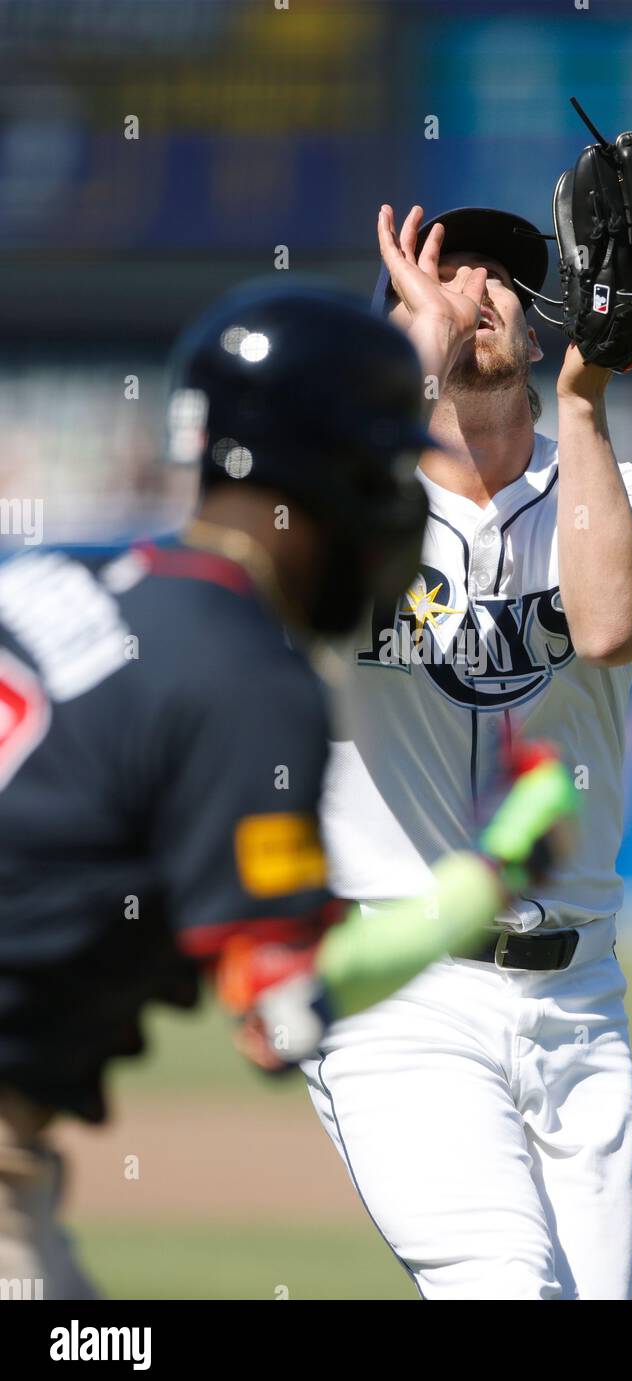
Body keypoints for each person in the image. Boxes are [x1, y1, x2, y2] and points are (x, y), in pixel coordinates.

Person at [0, 281, 576, 1298]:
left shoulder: (48, 580)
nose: (402, 503)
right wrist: (487, 877)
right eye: (391, 470)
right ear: (337, 479)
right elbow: (283, 1014)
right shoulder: (244, 676)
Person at [301, 207, 632, 1300]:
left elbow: (607, 624)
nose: (472, 292)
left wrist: (583, 394)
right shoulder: (353, 513)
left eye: (501, 277)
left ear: (541, 319)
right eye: (437, 275)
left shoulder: (622, 489)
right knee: (509, 1284)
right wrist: (403, 363)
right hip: (399, 984)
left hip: (580, 999)